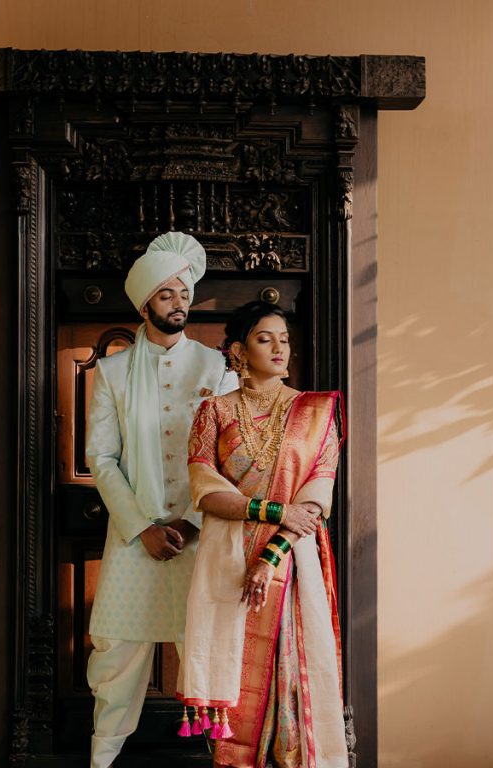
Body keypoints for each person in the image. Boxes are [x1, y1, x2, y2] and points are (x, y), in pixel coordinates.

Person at [85, 231, 238, 768]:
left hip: (203, 534)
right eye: (168, 294)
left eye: (185, 292)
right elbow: (101, 458)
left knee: (208, 654)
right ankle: (101, 760)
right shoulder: (112, 372)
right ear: (145, 301)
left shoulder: (217, 370)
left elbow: (229, 457)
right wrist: (142, 526)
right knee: (116, 661)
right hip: (134, 536)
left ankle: (224, 758)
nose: (180, 303)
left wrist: (195, 519)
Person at [180, 301, 348, 768]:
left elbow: (315, 500)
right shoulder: (212, 413)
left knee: (292, 685)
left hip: (290, 564)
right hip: (227, 560)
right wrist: (274, 509)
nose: (279, 347)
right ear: (237, 350)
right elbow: (205, 491)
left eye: (284, 339)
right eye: (264, 338)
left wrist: (270, 557)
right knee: (230, 680)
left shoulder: (316, 412)